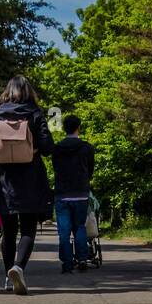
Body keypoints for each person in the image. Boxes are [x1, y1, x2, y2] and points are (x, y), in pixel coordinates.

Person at [0, 76, 55, 295]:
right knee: (29, 228)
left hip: (3, 181)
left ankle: (7, 277)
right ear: (29, 92)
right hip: (30, 179)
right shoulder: (35, 114)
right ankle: (18, 267)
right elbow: (48, 147)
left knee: (8, 231)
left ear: (7, 91)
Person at [51, 113, 96, 273]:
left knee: (64, 231)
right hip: (81, 193)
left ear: (64, 129)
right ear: (79, 127)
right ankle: (82, 258)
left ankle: (67, 262)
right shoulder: (87, 148)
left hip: (62, 194)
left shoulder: (57, 148)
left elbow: (55, 168)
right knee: (79, 227)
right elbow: (90, 170)